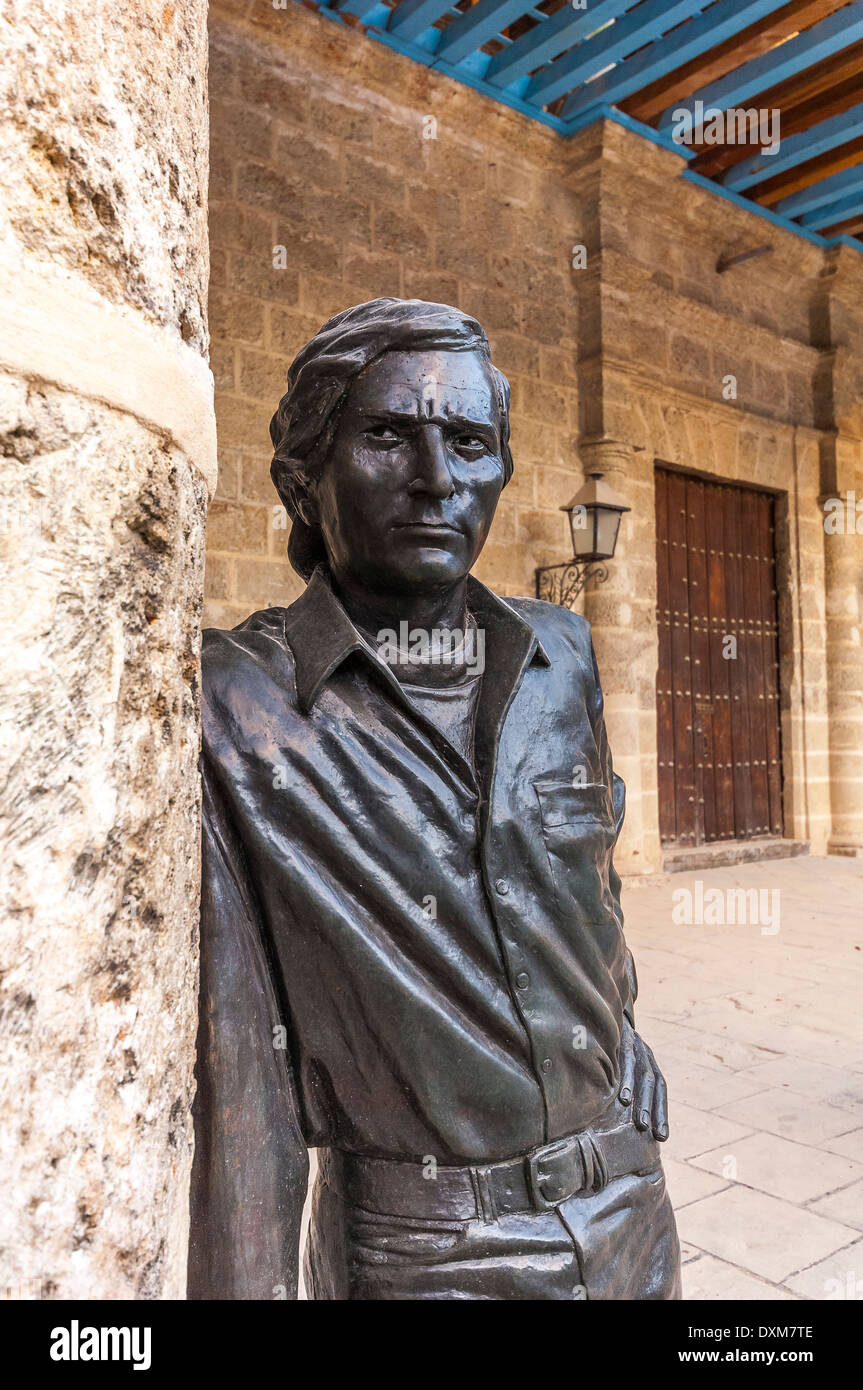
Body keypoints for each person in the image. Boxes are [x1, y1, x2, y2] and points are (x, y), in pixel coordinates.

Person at [188, 297, 680, 1301]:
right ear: (300, 478)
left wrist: (619, 1027)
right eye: (385, 436)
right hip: (431, 1256)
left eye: (467, 442)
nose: (435, 479)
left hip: (629, 1205)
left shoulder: (558, 654)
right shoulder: (232, 705)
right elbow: (241, 1081)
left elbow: (588, 881)